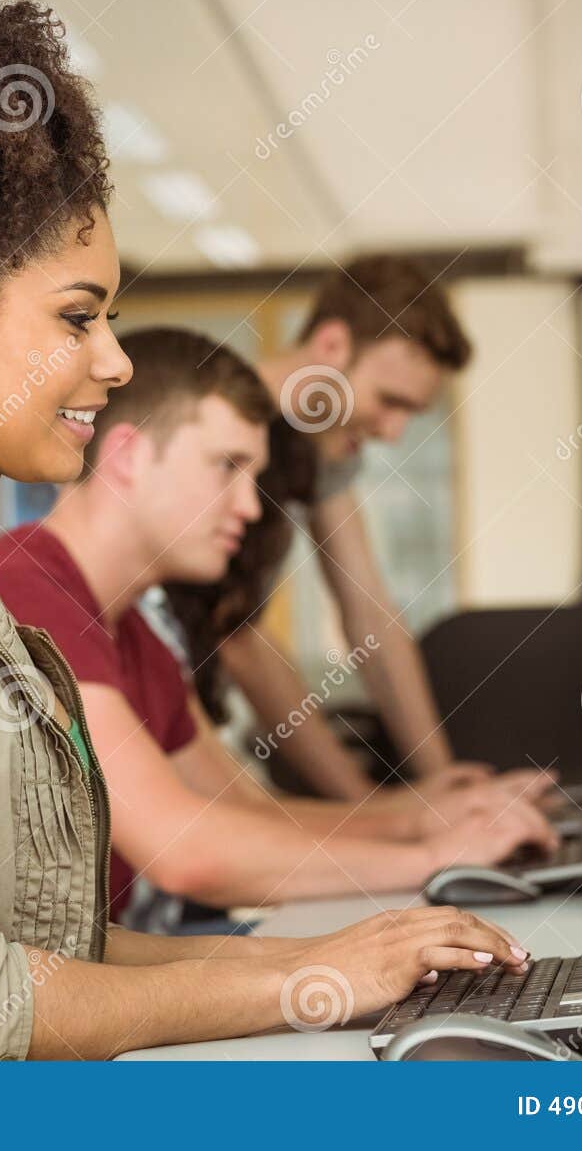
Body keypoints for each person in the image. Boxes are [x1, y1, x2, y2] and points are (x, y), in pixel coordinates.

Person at [0, 0, 530, 1062]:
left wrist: (346, 957)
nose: (115, 362)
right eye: (76, 317)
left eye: (111, 321)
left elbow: (58, 944)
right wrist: (317, 974)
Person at [0, 326, 558, 919]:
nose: (251, 507)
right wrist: (436, 856)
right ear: (127, 456)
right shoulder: (26, 596)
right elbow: (188, 852)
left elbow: (242, 812)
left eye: (253, 477)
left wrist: (419, 818)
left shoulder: (136, 636)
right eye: (225, 467)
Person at [219, 256, 490, 800]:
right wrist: (369, 807)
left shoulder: (319, 449)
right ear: (332, 347)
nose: (392, 433)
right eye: (389, 401)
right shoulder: (223, 430)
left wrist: (441, 783)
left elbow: (369, 610)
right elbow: (236, 637)